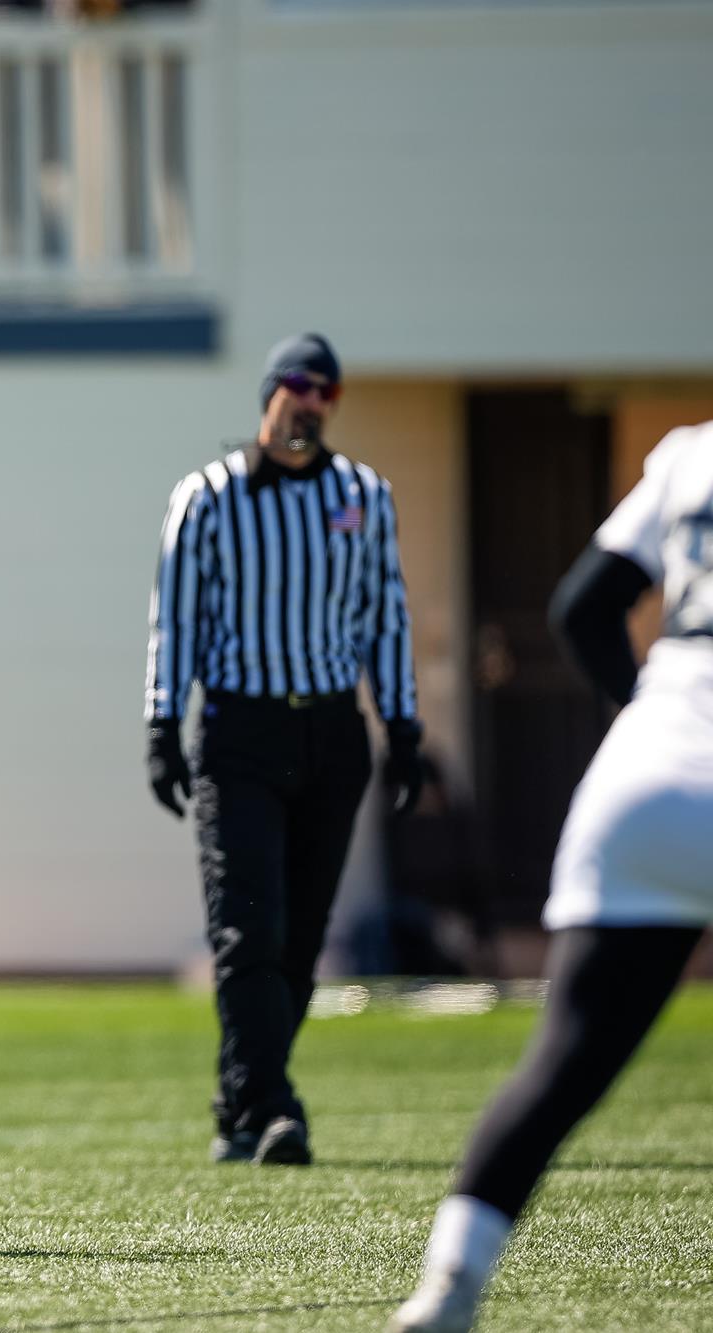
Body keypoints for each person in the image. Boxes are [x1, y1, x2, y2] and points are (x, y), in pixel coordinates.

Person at [389, 422, 713, 1332]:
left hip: (646, 773)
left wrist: (647, 713)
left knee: (561, 1065)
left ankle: (451, 1278)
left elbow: (581, 607)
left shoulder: (693, 450)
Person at [144, 331, 426, 1167]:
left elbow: (387, 616)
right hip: (241, 732)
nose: (312, 400)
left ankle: (242, 1095)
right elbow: (177, 618)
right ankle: (273, 1104)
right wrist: (163, 726)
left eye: (328, 391)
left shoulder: (364, 495)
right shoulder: (208, 496)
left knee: (302, 933)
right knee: (247, 926)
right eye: (299, 384)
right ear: (270, 392)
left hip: (335, 732)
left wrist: (404, 726)